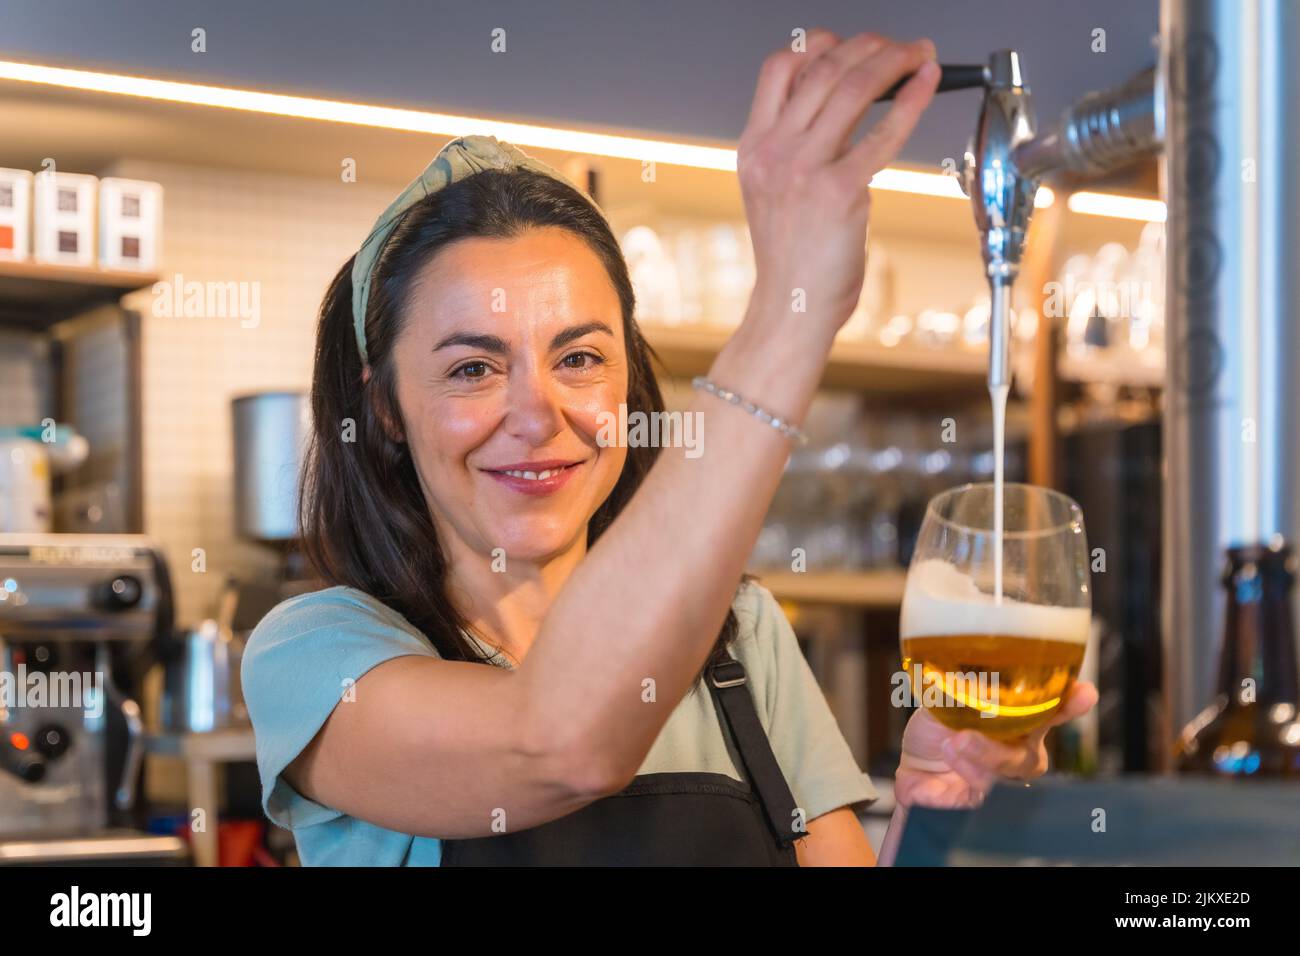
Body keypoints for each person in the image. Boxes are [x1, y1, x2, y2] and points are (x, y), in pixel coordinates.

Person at [242, 28, 1098, 866]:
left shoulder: (738, 634)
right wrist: (791, 310)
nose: (537, 416)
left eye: (579, 358)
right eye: (473, 368)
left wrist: (936, 807)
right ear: (384, 407)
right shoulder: (318, 653)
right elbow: (558, 743)